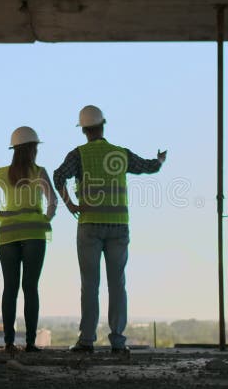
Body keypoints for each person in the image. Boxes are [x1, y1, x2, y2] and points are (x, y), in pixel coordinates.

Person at [53, 105, 166, 354]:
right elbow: (148, 167)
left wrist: (70, 203)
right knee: (117, 285)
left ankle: (86, 341)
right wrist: (159, 160)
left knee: (90, 285)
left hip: (89, 226)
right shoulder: (120, 154)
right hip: (118, 226)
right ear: (103, 125)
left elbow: (58, 176)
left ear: (83, 130)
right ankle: (117, 341)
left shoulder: (78, 155)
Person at [0, 126, 57, 353]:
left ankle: (9, 342)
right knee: (30, 288)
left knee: (9, 288)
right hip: (34, 235)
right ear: (33, 149)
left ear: (14, 149)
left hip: (7, 235)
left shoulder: (2, 173)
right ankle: (30, 343)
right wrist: (45, 220)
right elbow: (53, 202)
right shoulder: (39, 172)